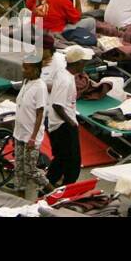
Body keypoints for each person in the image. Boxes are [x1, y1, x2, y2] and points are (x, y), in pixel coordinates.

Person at [45, 45, 86, 188]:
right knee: (72, 161)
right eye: (83, 62)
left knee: (61, 159)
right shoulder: (65, 80)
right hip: (63, 125)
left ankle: (49, 185)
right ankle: (67, 186)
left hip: (58, 123)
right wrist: (71, 122)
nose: (85, 64)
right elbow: (57, 104)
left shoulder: (63, 75)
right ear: (78, 63)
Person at [14, 58, 49, 199]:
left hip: (30, 135)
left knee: (30, 170)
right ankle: (20, 196)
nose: (23, 70)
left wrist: (33, 137)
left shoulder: (40, 87)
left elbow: (40, 113)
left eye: (26, 68)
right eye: (23, 67)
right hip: (19, 133)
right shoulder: (26, 82)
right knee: (19, 168)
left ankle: (51, 189)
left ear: (35, 69)